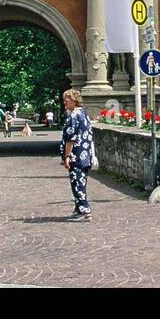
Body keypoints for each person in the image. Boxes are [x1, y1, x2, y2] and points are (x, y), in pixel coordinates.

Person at [60, 88, 94, 222]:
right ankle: (79, 208)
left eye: (66, 100)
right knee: (81, 182)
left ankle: (85, 211)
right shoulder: (84, 113)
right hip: (85, 154)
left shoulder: (74, 115)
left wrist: (67, 156)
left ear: (74, 101)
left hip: (76, 155)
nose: (64, 103)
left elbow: (70, 138)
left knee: (77, 183)